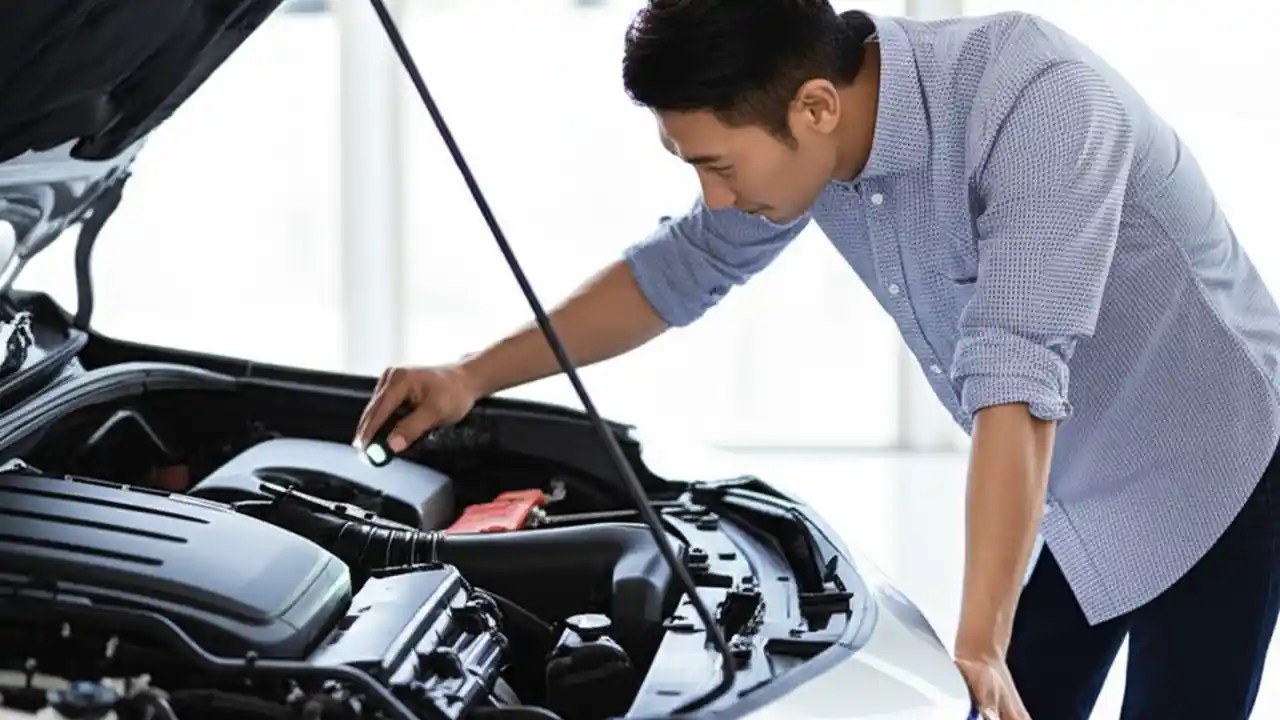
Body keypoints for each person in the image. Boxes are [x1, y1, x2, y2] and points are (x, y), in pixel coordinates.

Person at [353, 2, 1280, 718]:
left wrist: (979, 640)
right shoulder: (823, 141)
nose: (713, 194)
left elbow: (1017, 379)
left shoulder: (1036, 102)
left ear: (816, 105)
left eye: (718, 164)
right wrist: (472, 375)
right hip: (1073, 491)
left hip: (1220, 465)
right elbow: (683, 267)